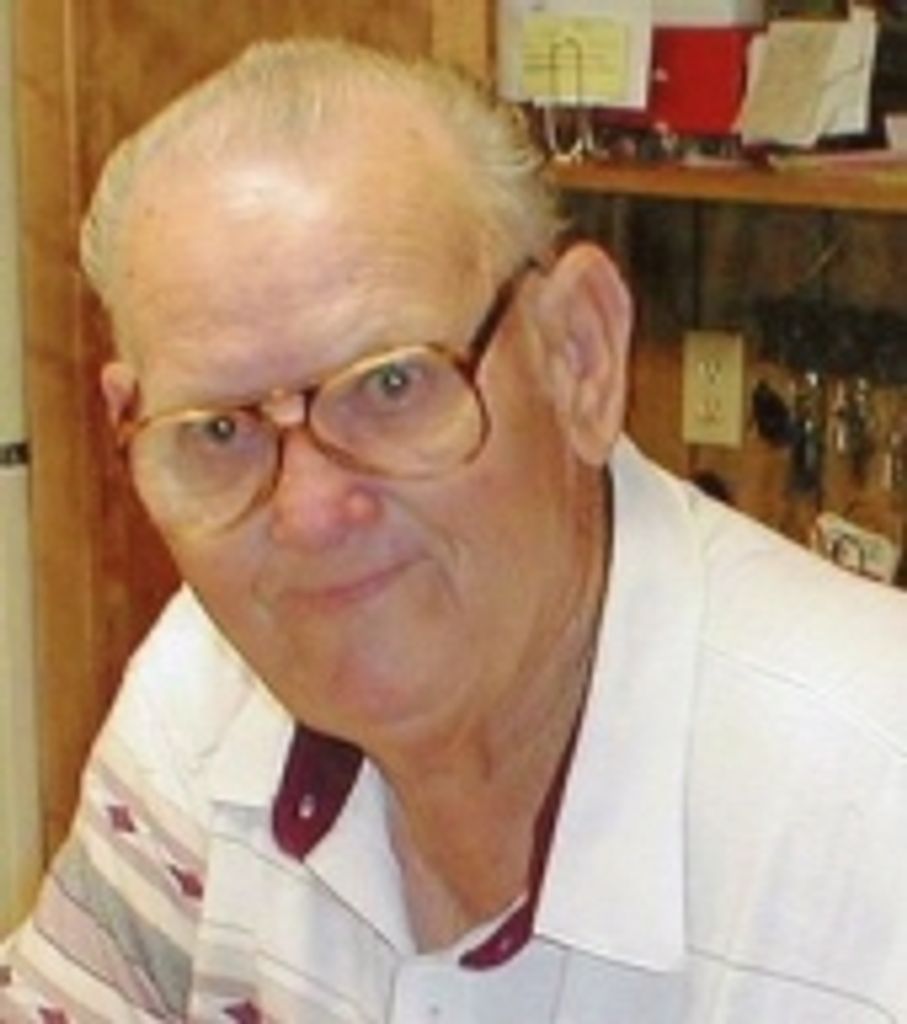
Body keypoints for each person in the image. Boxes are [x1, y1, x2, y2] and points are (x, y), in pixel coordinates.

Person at [2, 37, 907, 1024]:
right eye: (218, 430)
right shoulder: (209, 683)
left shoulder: (875, 806)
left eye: (393, 383)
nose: (307, 515)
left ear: (578, 356)